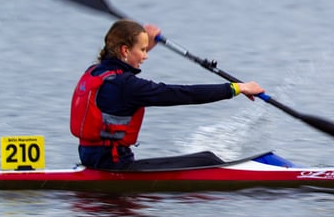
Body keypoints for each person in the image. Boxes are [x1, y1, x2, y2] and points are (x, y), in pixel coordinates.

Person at [72, 19, 264, 171]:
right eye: (142, 50)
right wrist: (237, 88)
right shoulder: (127, 86)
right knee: (206, 160)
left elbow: (120, 69)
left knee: (205, 157)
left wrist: (140, 41)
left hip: (92, 158)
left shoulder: (95, 71)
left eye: (146, 49)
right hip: (115, 165)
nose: (146, 56)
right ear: (125, 50)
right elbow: (182, 94)